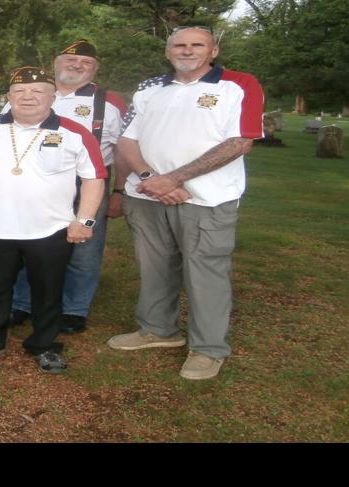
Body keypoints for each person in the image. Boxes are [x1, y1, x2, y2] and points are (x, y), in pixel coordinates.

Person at [110, 25, 263, 380]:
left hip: (206, 200)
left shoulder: (239, 85)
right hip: (146, 196)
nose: (187, 50)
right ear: (168, 52)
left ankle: (208, 349)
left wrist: (174, 179)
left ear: (213, 51)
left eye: (198, 45)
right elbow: (127, 141)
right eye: (179, 45)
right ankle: (157, 330)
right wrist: (151, 179)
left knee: (205, 272)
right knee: (155, 268)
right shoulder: (151, 89)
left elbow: (240, 142)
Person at [0, 67, 105, 375]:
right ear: (9, 97)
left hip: (51, 230)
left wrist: (84, 220)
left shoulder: (75, 132)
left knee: (48, 290)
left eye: (38, 91)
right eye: (19, 92)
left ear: (52, 97)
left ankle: (44, 345)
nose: (28, 97)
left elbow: (94, 178)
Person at [5, 39, 126, 334]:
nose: (77, 66)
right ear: (55, 63)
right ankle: (22, 302)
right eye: (70, 60)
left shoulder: (110, 102)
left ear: (95, 68)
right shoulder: (30, 93)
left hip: (87, 183)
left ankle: (73, 309)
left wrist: (119, 191)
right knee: (28, 243)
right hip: (36, 181)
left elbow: (123, 149)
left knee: (85, 248)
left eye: (85, 63)